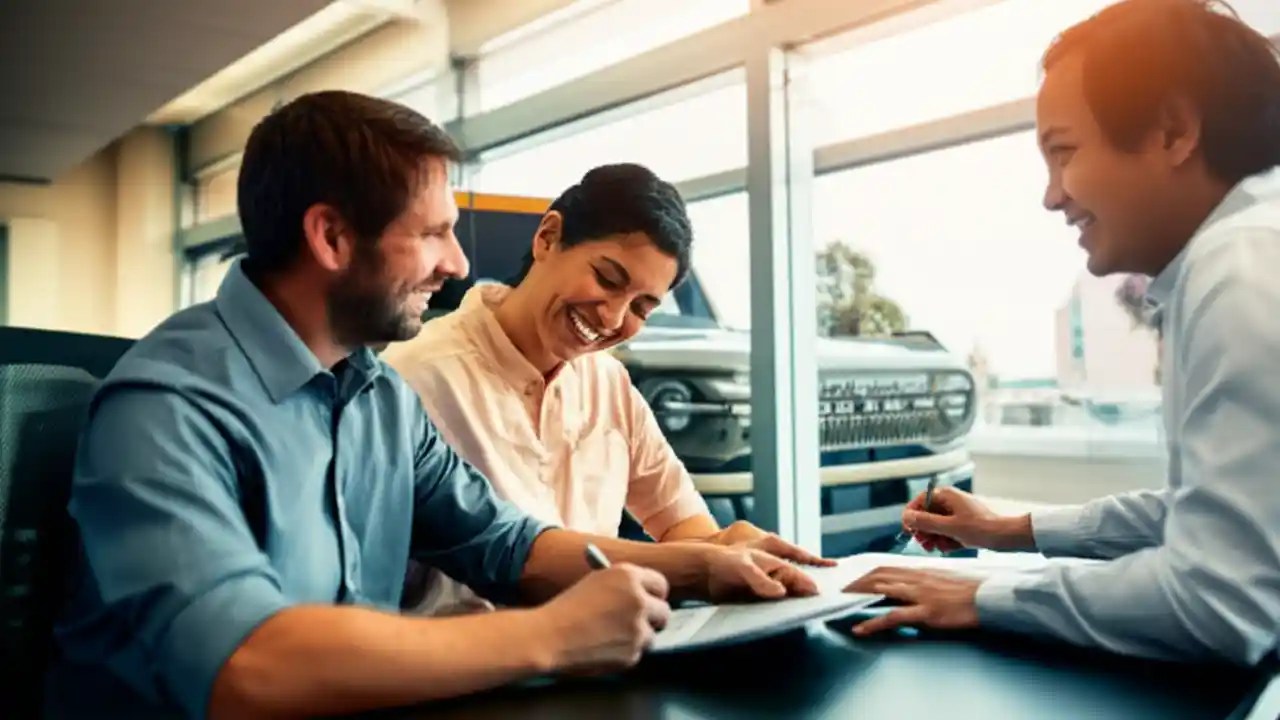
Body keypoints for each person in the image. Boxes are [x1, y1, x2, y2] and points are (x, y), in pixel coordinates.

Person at [46, 91, 819, 720]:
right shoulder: (165, 405)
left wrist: (701, 568)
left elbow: (507, 547)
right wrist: (550, 637)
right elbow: (245, 668)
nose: (456, 265)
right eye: (436, 234)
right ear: (333, 237)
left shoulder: (377, 396)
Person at [848, 0, 1280, 666]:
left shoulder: (1244, 264)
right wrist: (1010, 530)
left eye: (1064, 152)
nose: (1052, 195)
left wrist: (983, 598)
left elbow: (1221, 596)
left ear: (1172, 130)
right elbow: (1217, 513)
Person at [381, 163, 832, 616]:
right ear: (548, 238)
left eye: (641, 306)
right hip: (469, 671)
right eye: (608, 280)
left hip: (603, 655)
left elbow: (680, 524)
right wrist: (703, 562)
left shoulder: (607, 380)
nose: (614, 318)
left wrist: (725, 544)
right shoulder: (414, 378)